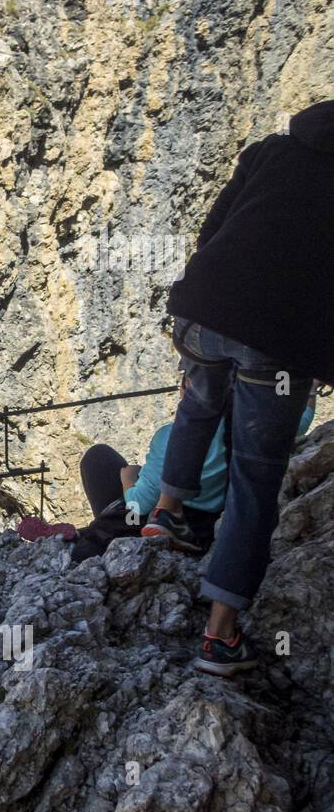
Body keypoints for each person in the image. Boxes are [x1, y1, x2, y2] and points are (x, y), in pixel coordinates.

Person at [142, 99, 334, 677]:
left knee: (198, 406)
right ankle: (220, 637)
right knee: (255, 477)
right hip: (276, 343)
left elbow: (213, 228)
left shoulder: (270, 151)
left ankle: (165, 513)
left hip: (200, 315)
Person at [68, 377, 316, 564]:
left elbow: (140, 505)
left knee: (98, 458)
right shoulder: (254, 432)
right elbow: (299, 423)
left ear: (187, 390)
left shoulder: (170, 437)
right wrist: (310, 387)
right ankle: (85, 531)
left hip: (160, 523)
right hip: (208, 525)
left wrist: (129, 479)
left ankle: (92, 534)